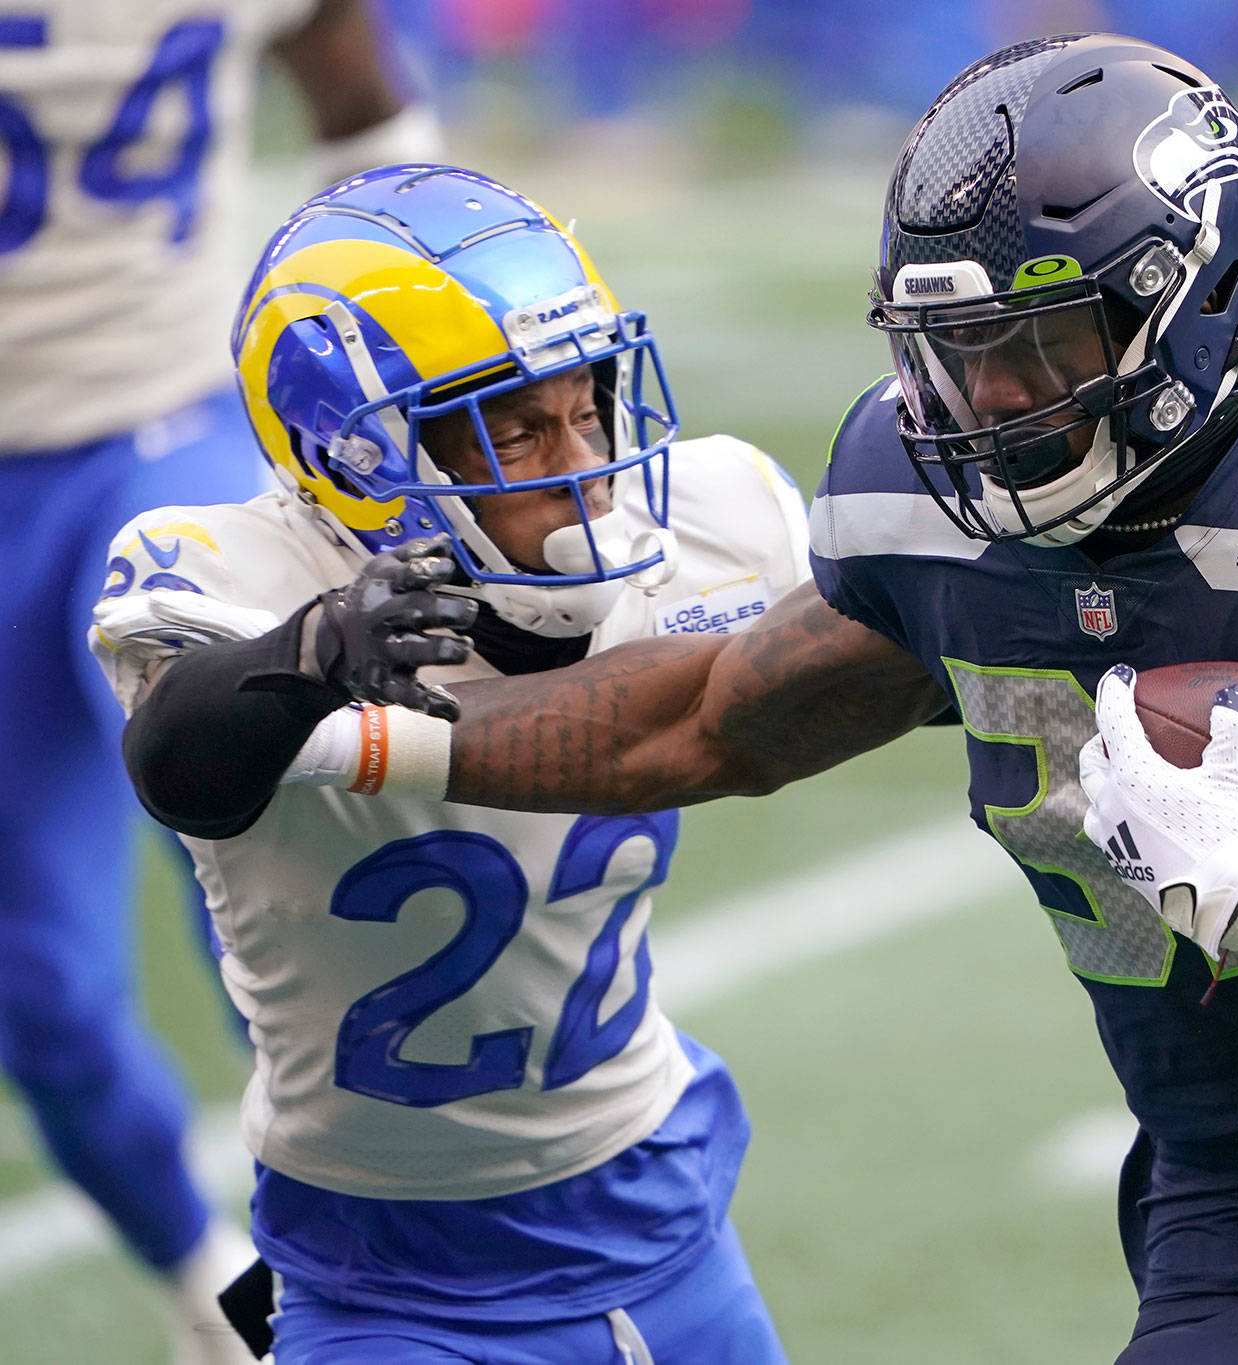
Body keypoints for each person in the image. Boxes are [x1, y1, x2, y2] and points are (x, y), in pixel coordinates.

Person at [203, 33, 1238, 1362]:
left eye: (1037, 346)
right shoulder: (924, 514)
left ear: (1183, 302)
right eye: (956, 351)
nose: (989, 405)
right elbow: (697, 723)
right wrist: (346, 727)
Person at [92, 165, 804, 1362]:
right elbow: (179, 763)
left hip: (664, 1198)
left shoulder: (717, 519)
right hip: (391, 1275)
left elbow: (910, 653)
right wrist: (312, 648)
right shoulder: (234, 575)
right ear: (354, 455)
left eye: (586, 407)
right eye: (514, 429)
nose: (575, 461)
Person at [0, 3, 434, 1359]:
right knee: (36, 977)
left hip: (164, 418)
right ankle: (206, 1286)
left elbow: (362, 102)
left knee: (266, 800)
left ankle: (382, 1253)